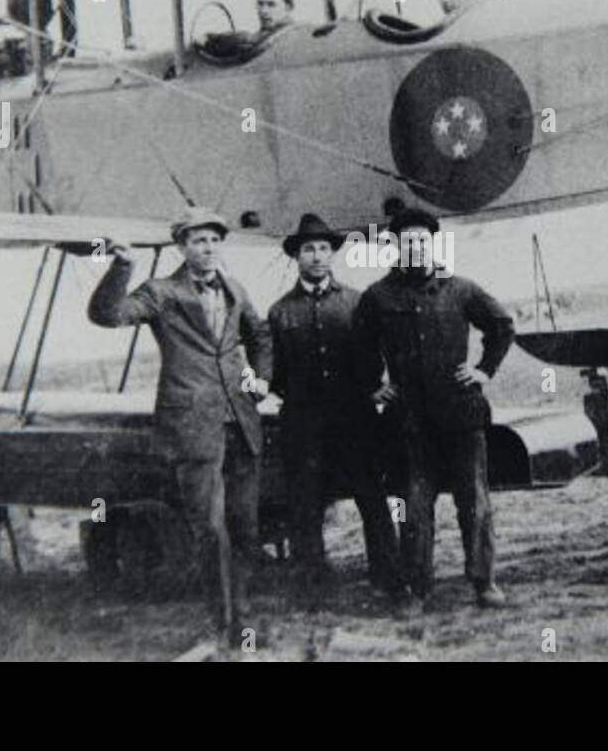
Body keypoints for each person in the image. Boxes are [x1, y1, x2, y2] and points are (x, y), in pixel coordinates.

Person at [88, 207, 272, 646]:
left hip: (240, 421)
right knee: (209, 527)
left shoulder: (235, 288)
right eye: (198, 240)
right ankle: (227, 622)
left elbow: (260, 334)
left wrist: (261, 377)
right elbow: (107, 314)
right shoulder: (162, 292)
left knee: (245, 526)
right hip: (192, 424)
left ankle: (240, 610)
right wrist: (123, 265)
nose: (207, 248)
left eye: (214, 240)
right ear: (182, 246)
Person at [353, 208, 515, 609]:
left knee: (474, 502)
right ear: (395, 246)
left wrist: (483, 370)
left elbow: (502, 325)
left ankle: (483, 581)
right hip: (409, 423)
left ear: (432, 245)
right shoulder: (378, 296)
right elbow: (358, 347)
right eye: (407, 241)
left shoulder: (459, 289)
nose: (416, 247)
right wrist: (374, 386)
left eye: (422, 241)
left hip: (461, 417)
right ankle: (417, 589)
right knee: (414, 506)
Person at [267, 214, 406, 605]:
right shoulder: (280, 312)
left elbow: (374, 355)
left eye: (324, 248)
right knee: (306, 506)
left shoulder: (356, 302)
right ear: (297, 256)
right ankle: (314, 587)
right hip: (303, 425)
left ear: (332, 254)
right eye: (308, 249)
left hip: (355, 421)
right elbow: (275, 372)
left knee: (372, 499)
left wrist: (373, 389)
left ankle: (389, 578)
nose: (316, 256)